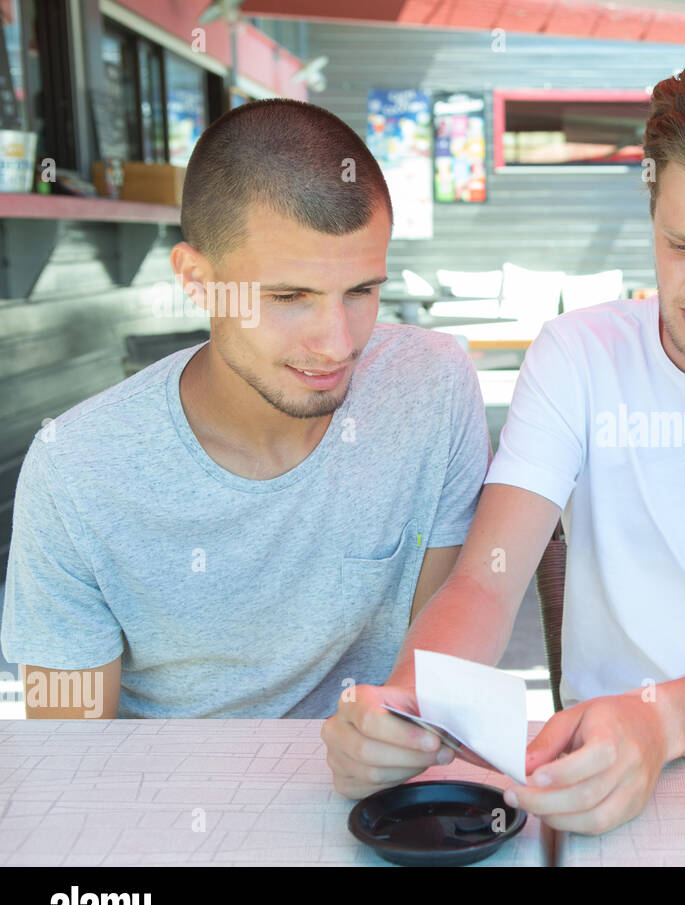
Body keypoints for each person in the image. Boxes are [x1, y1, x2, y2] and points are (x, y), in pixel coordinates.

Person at [323, 43, 685, 833]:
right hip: (593, 766)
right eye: (681, 243)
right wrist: (407, 704)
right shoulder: (577, 352)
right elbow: (486, 582)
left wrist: (661, 720)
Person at [0, 100, 490, 719]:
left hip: (380, 795)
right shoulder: (75, 469)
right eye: (289, 296)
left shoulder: (433, 384)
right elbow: (66, 748)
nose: (338, 344)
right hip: (168, 804)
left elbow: (438, 661)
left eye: (362, 291)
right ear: (197, 279)